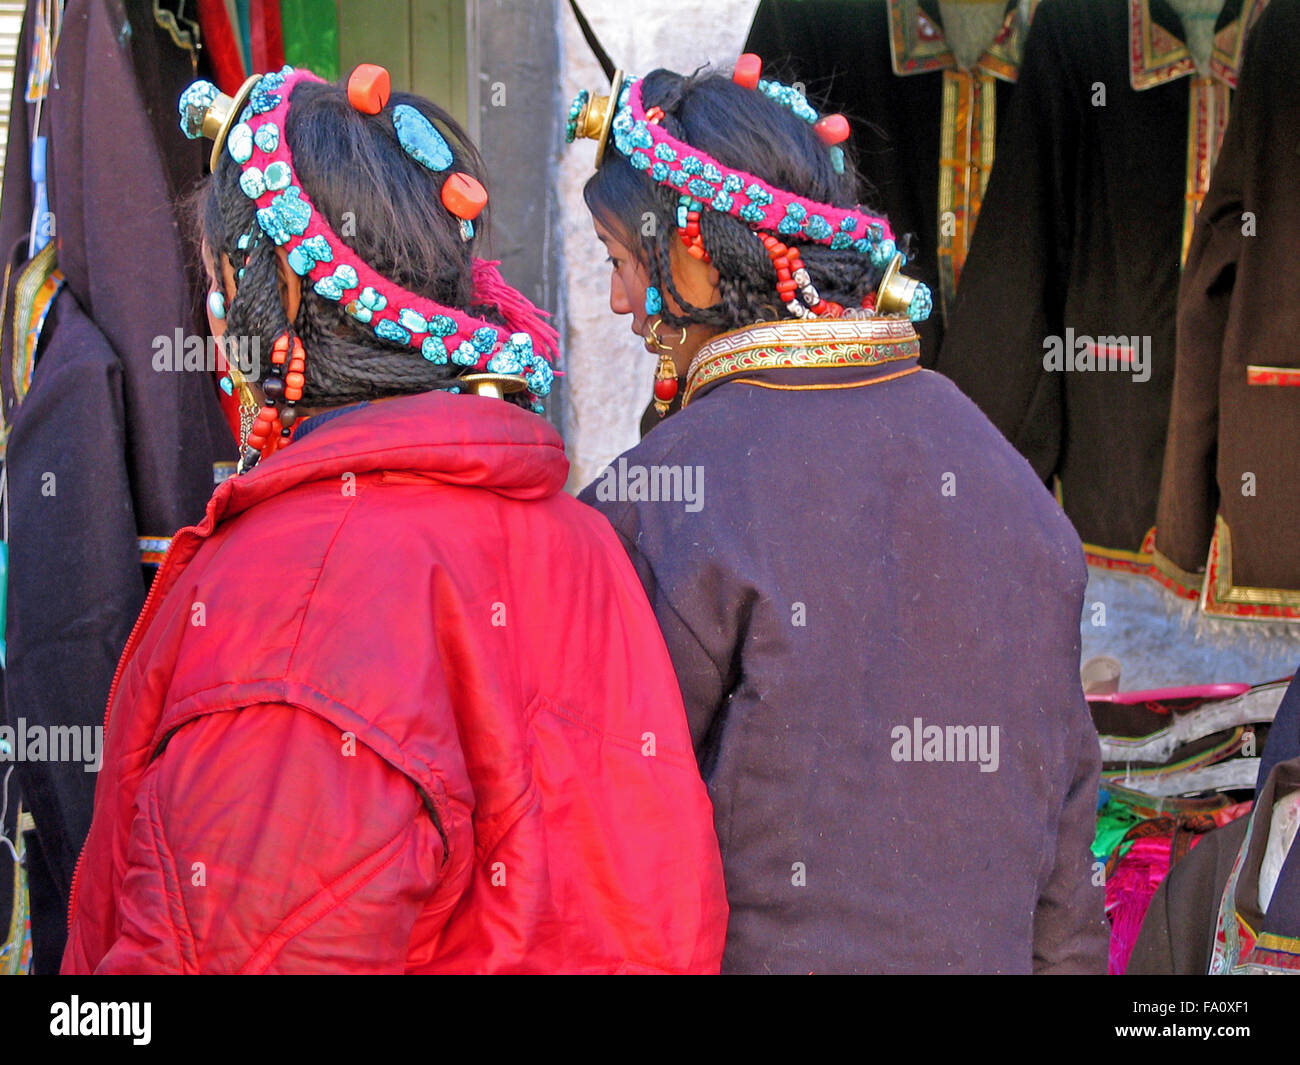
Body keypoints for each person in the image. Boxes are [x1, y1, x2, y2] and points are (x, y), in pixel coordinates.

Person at [62, 65, 727, 974]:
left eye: (220, 281)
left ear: (283, 296)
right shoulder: (565, 528)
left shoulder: (294, 609)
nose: (215, 317)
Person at [567, 59, 1109, 973]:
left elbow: (607, 865)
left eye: (621, 262)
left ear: (692, 253)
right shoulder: (1007, 481)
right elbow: (1065, 877)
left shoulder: (656, 504)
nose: (621, 302)